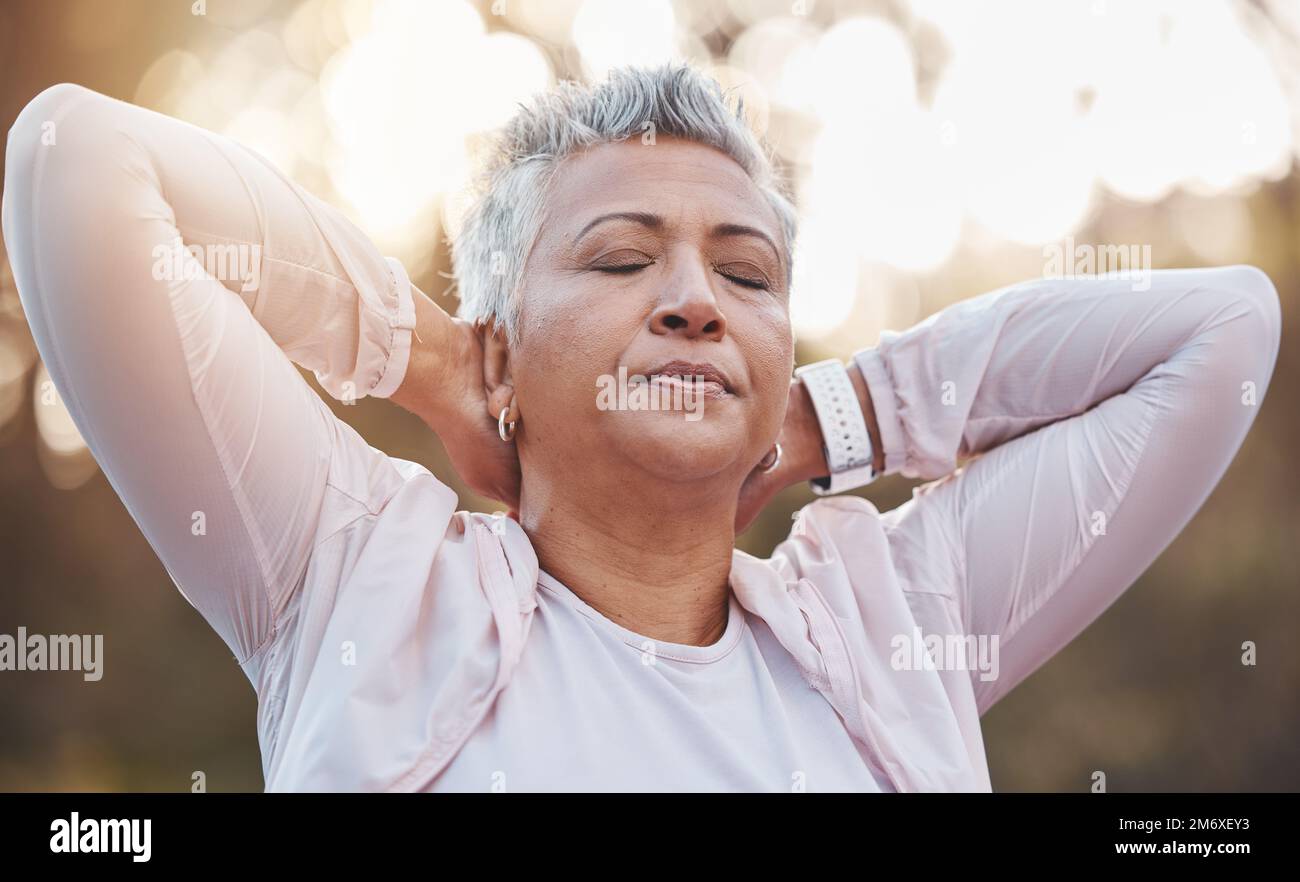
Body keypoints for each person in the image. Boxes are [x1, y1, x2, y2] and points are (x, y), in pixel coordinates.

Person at [1, 65, 1280, 792]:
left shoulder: (895, 624)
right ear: (507, 346)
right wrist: (439, 361)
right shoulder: (352, 580)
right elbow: (76, 160)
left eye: (747, 275)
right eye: (617, 260)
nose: (691, 302)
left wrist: (835, 415)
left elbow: (1220, 335)